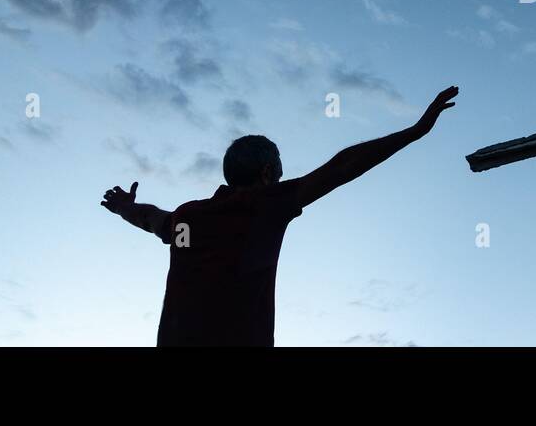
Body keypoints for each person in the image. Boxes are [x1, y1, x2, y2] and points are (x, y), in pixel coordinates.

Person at [101, 85, 459, 346]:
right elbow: (343, 167)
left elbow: (151, 220)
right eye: (280, 173)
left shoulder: (189, 218)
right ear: (267, 173)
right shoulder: (265, 205)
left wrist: (123, 207)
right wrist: (415, 132)